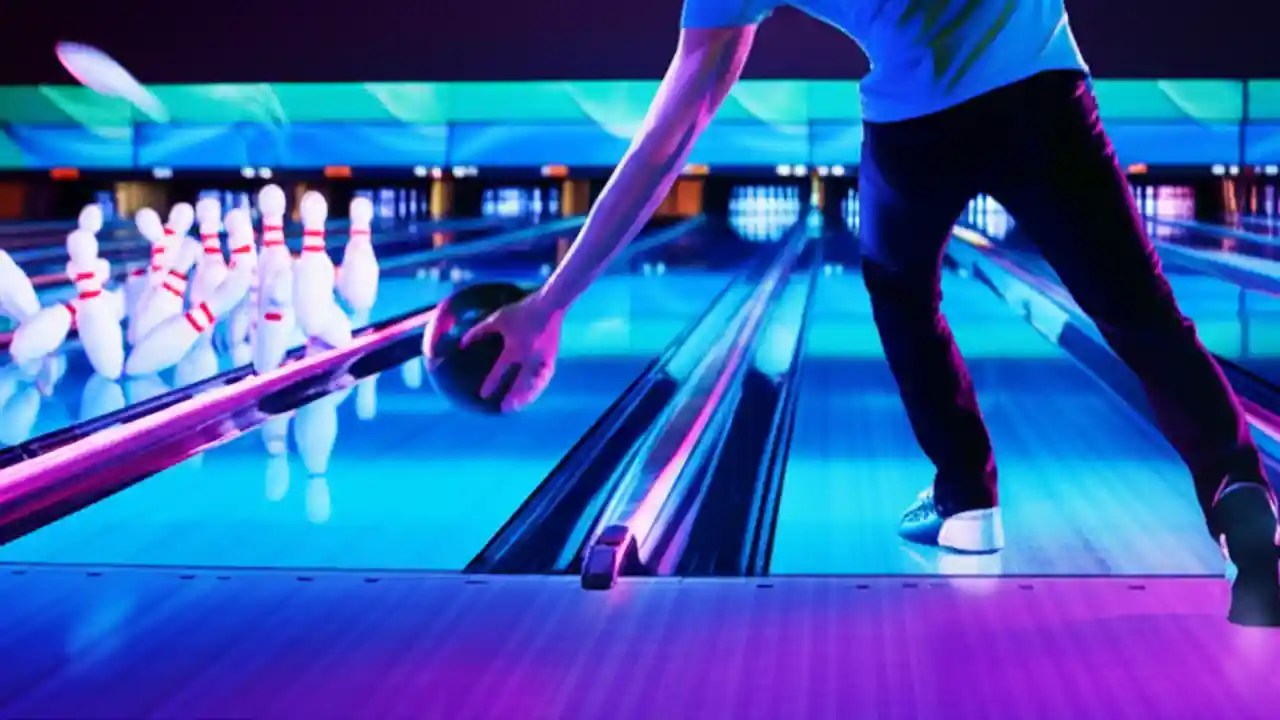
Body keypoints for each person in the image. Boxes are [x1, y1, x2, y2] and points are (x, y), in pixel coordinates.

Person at [462, 0, 1280, 626]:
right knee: (1140, 313)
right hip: (1043, 94)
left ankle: (967, 498)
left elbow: (673, 132)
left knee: (899, 290)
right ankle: (1238, 489)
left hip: (913, 126)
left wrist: (550, 301)